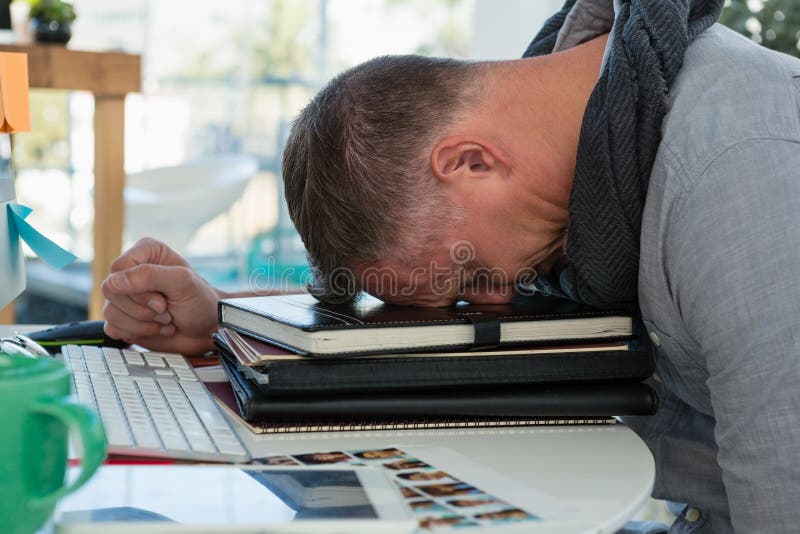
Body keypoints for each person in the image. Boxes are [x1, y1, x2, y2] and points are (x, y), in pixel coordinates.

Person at [103, 0, 800, 531]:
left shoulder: (740, 171)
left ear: (471, 162)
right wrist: (226, 315)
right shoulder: (594, 157)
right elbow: (416, 330)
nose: (494, 305)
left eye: (468, 282)